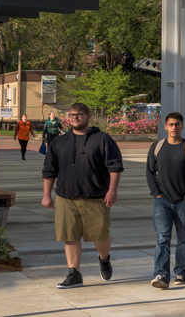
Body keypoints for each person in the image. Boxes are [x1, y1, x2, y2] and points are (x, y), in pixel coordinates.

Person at [39, 101, 123, 289]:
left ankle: (104, 258)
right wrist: (46, 195)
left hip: (95, 197)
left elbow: (115, 166)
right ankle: (74, 273)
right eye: (71, 115)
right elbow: (49, 170)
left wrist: (112, 189)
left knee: (100, 236)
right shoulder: (59, 142)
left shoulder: (102, 139)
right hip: (65, 197)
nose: (75, 117)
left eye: (79, 114)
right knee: (70, 236)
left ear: (88, 116)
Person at [146, 111, 185, 290]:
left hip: (183, 202)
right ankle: (161, 273)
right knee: (162, 238)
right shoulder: (157, 147)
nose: (174, 127)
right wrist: (156, 193)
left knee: (183, 239)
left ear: (182, 126)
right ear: (165, 126)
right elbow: (149, 172)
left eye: (177, 124)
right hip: (162, 202)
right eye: (170, 124)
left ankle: (180, 271)